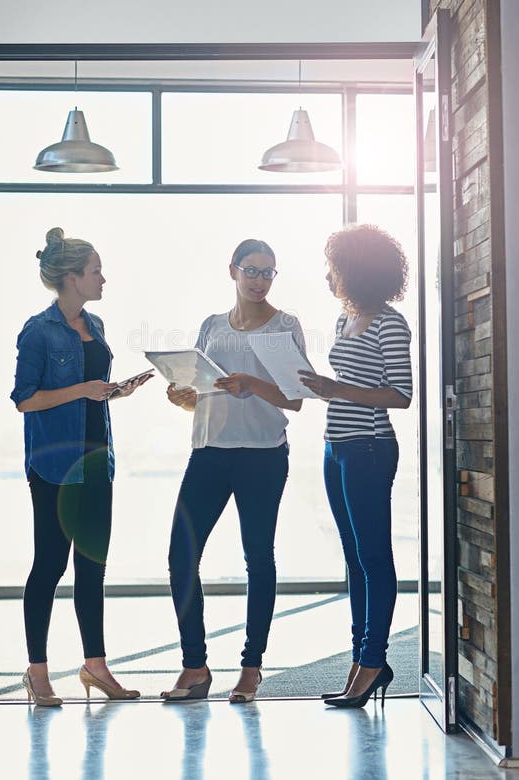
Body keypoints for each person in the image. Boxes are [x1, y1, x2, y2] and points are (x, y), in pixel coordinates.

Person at [11, 227, 153, 707]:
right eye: (95, 272)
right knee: (49, 566)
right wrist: (83, 390)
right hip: (54, 466)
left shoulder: (98, 327)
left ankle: (95, 666)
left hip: (97, 463)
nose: (102, 279)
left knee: (92, 567)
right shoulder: (38, 331)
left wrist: (116, 390)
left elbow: (94, 389)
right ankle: (37, 672)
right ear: (71, 277)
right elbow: (25, 400)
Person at [161, 239, 306, 704]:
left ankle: (251, 666)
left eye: (268, 272)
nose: (259, 280)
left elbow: (295, 398)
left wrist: (252, 384)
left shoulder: (286, 327)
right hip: (208, 451)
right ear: (233, 272)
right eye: (252, 270)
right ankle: (195, 666)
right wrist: (187, 398)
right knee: (181, 556)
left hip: (263, 454)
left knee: (258, 559)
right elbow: (204, 389)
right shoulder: (211, 327)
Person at [299, 224, 412, 709]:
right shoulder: (346, 320)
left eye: (335, 268)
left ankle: (373, 661)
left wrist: (334, 389)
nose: (328, 277)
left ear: (357, 271)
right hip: (336, 446)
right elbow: (340, 384)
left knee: (372, 558)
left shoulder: (391, 324)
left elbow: (401, 395)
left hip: (369, 447)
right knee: (352, 560)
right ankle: (361, 660)